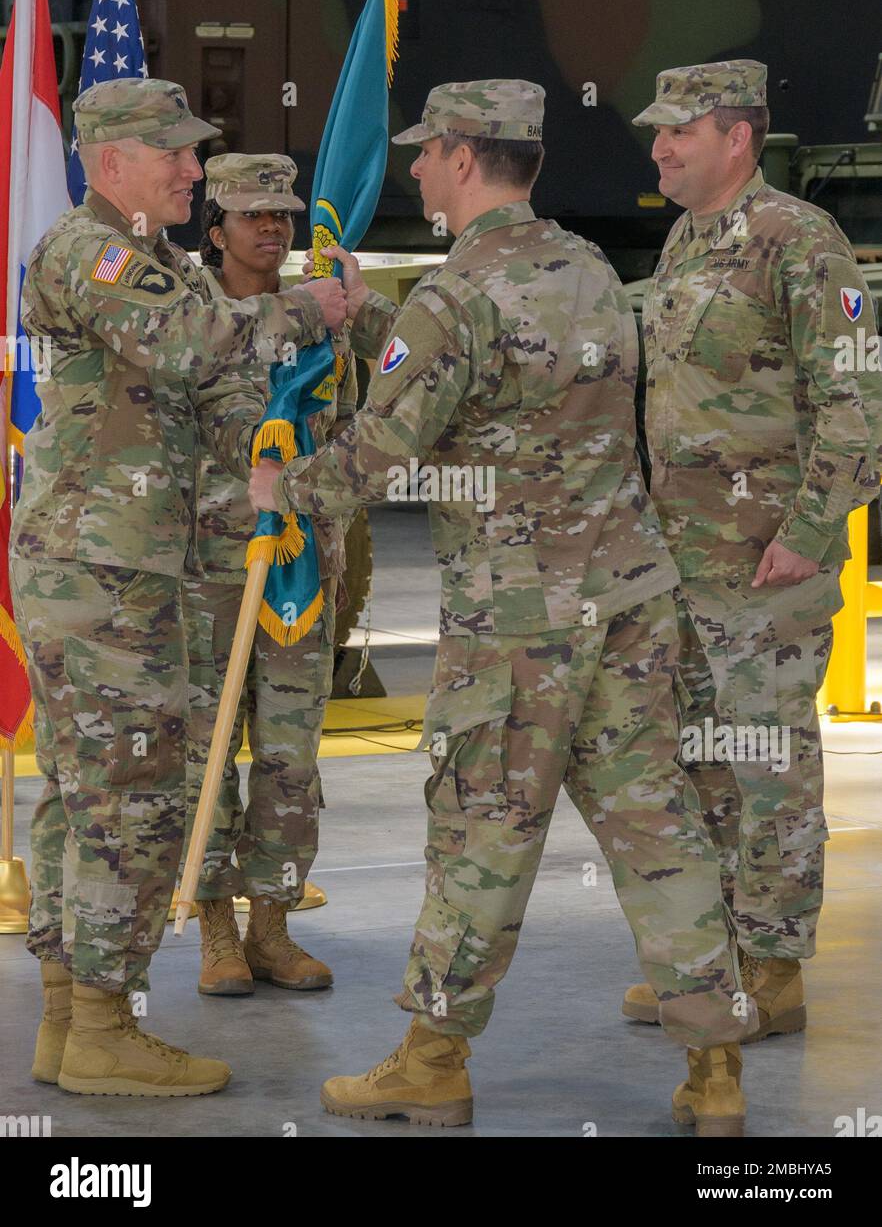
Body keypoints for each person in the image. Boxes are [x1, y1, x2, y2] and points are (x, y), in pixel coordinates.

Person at [251, 79, 760, 1136]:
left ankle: (433, 1060)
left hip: (516, 627)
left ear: (462, 154)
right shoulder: (587, 271)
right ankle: (716, 1069)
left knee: (481, 834)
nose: (416, 171)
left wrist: (283, 490)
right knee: (662, 831)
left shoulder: (453, 299)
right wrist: (382, 315)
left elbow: (380, 451)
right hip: (629, 600)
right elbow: (521, 374)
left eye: (425, 155)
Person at [10, 78, 346, 1097]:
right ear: (114, 162)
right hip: (100, 569)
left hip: (125, 562)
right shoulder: (90, 251)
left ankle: (73, 1020)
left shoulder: (155, 262)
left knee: (85, 791)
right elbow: (196, 346)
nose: (195, 172)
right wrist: (304, 309)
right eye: (178, 155)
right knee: (129, 794)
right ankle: (107, 1023)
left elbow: (212, 396)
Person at [622, 60, 881, 1043]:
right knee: (698, 756)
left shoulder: (800, 242)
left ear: (737, 137)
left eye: (676, 132)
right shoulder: (689, 238)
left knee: (768, 761)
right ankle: (713, 955)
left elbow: (857, 406)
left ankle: (773, 970)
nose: (658, 149)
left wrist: (809, 536)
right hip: (683, 563)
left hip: (768, 566)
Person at [183, 152, 357, 996]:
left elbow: (364, 414)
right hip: (208, 566)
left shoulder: (326, 316)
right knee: (206, 750)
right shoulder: (189, 314)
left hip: (298, 567)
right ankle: (215, 929)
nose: (271, 226)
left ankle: (273, 928)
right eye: (252, 214)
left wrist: (355, 298)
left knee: (291, 752)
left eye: (281, 213)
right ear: (215, 230)